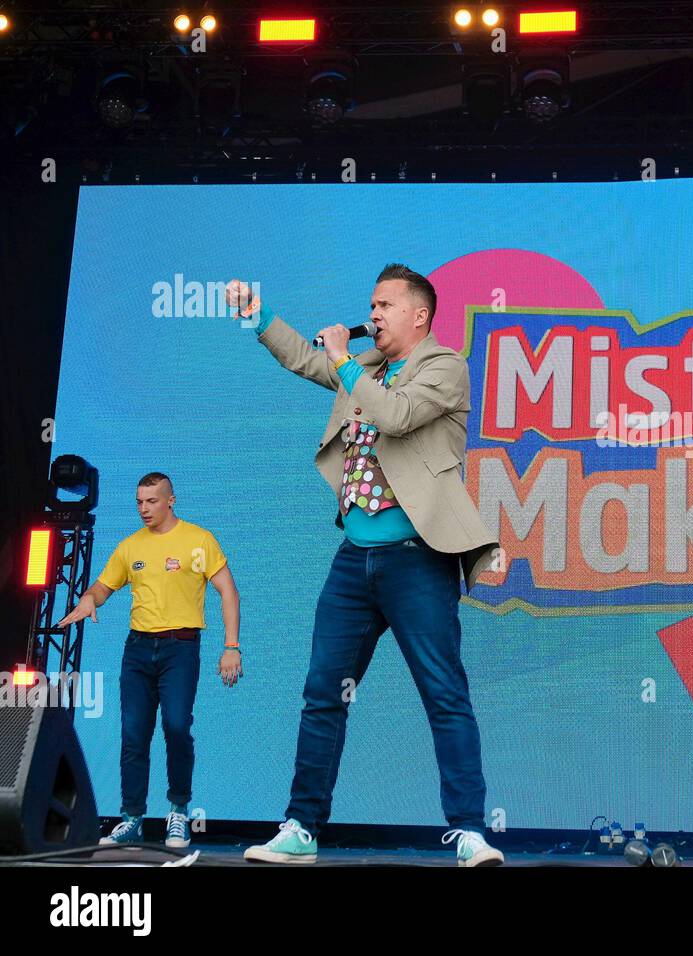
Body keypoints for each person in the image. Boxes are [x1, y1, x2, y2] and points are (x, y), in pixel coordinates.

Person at [226, 265, 503, 867]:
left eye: (383, 305)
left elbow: (396, 416)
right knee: (324, 692)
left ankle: (470, 830)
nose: (371, 315)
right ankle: (301, 826)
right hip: (355, 560)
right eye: (369, 305)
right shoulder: (366, 368)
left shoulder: (444, 367)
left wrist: (345, 362)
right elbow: (305, 360)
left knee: (444, 692)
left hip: (417, 561)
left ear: (419, 315)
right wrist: (258, 314)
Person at [58, 472, 242, 849]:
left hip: (181, 648)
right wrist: (90, 598)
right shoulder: (131, 546)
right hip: (138, 650)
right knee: (133, 734)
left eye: (152, 501)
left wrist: (231, 646)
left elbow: (228, 591)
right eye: (139, 502)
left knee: (176, 727)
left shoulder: (199, 540)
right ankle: (131, 818)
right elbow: (102, 587)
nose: (144, 509)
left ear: (171, 500)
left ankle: (178, 812)